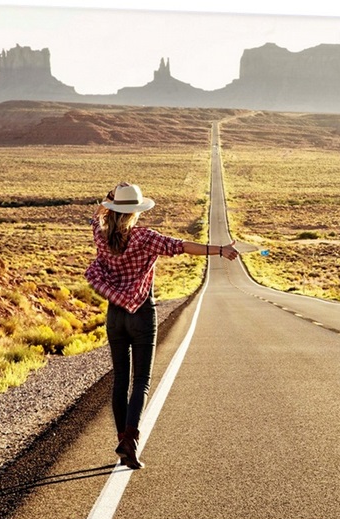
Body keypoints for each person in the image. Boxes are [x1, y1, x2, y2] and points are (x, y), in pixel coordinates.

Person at [85, 182, 239, 469]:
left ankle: (122, 440)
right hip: (142, 313)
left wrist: (109, 199)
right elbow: (181, 247)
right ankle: (129, 442)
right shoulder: (145, 237)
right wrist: (220, 250)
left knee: (120, 380)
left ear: (116, 209)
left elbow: (97, 217)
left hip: (115, 315)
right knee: (140, 380)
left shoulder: (101, 235)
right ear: (136, 212)